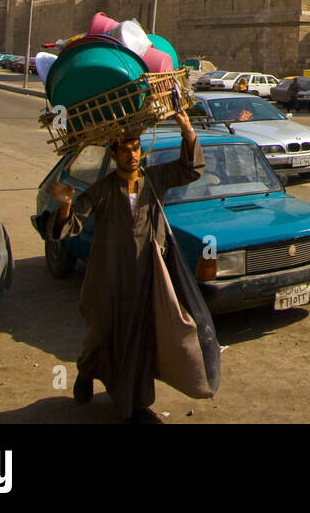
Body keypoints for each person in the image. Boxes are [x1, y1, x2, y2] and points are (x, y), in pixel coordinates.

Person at [48, 105, 213, 423]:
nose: (131, 155)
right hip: (107, 280)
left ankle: (134, 405)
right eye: (124, 150)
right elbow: (68, 227)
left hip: (144, 278)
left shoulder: (155, 180)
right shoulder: (103, 190)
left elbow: (191, 169)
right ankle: (86, 372)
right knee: (102, 336)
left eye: (135, 148)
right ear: (113, 155)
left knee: (137, 340)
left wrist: (187, 129)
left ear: (142, 149)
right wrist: (66, 203)